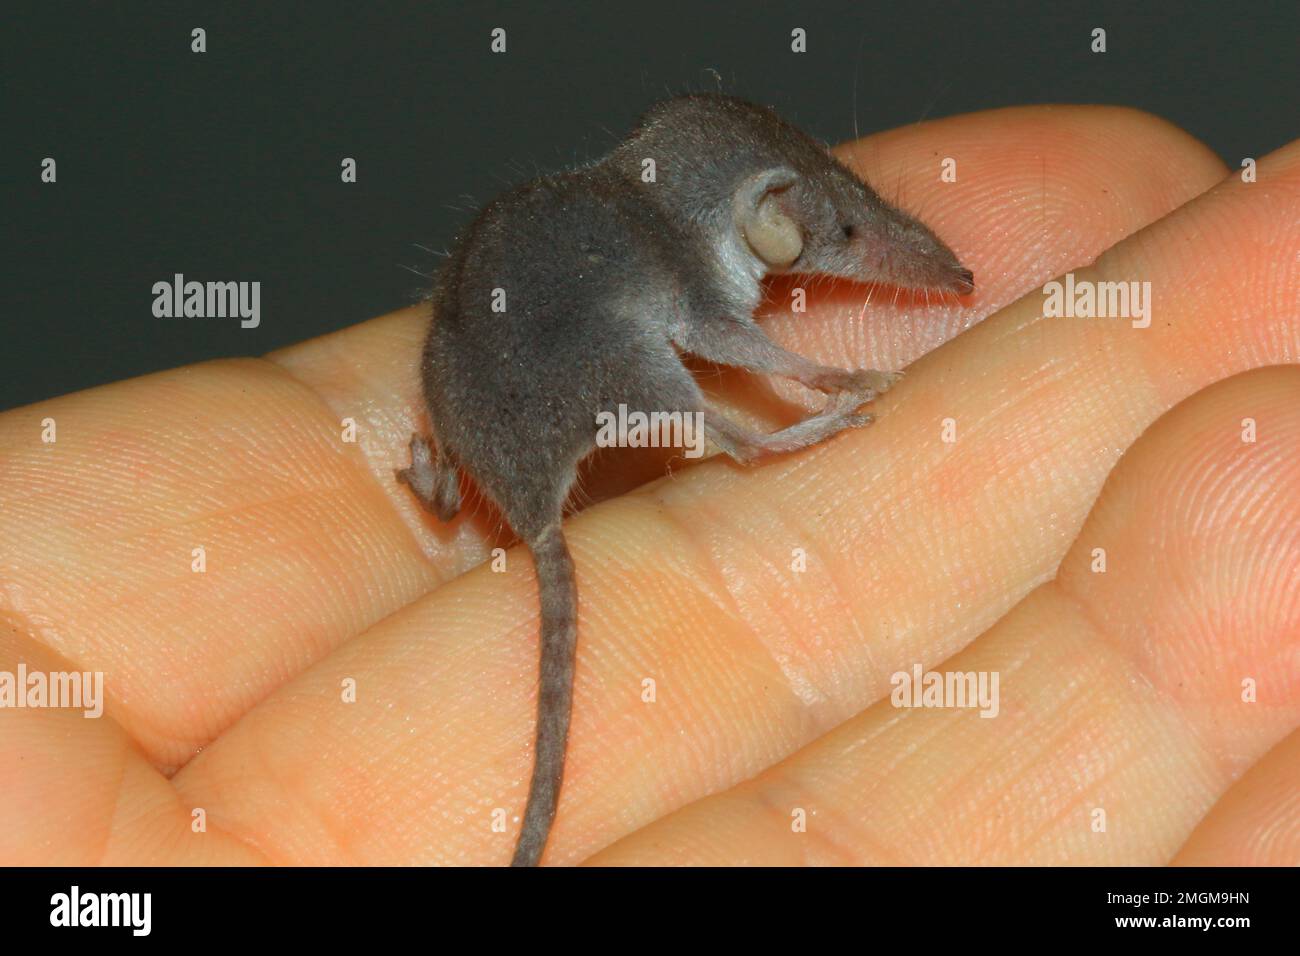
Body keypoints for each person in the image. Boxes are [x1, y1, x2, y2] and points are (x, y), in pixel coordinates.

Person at [1, 105, 1296, 865]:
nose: (864, 256)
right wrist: (796, 390)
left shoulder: (628, 216)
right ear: (756, 216)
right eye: (832, 235)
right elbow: (721, 336)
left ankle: (444, 486)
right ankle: (751, 451)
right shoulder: (667, 255)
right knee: (650, 351)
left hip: (470, 410)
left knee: (592, 355)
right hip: (545, 383)